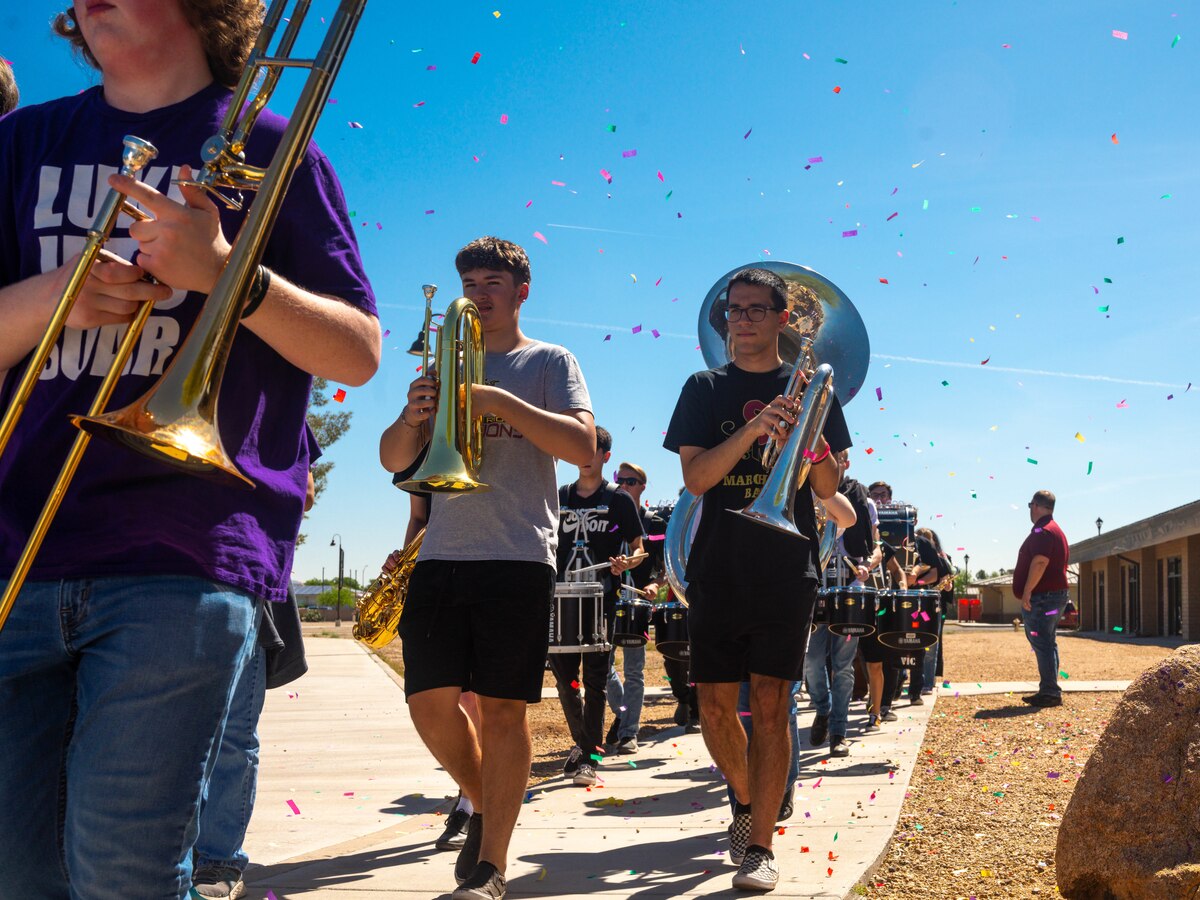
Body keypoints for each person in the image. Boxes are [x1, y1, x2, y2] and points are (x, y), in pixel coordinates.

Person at [0, 4, 380, 897]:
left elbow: (357, 351)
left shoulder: (279, 148)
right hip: (21, 540)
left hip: (189, 547)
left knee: (126, 867)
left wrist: (224, 272)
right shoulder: (21, 142)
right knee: (18, 873)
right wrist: (61, 292)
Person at [379, 236, 594, 900]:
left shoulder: (549, 360)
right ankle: (487, 801)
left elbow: (582, 445)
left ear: (521, 290)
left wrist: (496, 402)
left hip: (518, 553)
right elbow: (392, 460)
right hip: (443, 553)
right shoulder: (443, 364)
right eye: (470, 281)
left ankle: (492, 865)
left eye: (493, 281)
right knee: (428, 707)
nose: (479, 292)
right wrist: (415, 416)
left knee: (504, 712)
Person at [664, 267, 852, 892]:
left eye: (754, 308)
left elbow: (827, 492)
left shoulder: (813, 390)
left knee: (771, 706)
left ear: (781, 319)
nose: (741, 318)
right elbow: (697, 480)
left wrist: (810, 434)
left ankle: (761, 845)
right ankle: (746, 799)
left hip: (785, 568)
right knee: (716, 708)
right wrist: (756, 427)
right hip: (717, 565)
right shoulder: (702, 388)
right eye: (733, 310)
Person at [193, 465, 318, 899]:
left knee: (233, 738)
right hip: (155, 569)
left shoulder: (266, 395)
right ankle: (180, 858)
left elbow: (304, 491)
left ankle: (217, 860)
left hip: (235, 575)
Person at [384, 479, 480, 852]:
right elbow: (419, 516)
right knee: (443, 698)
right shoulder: (424, 437)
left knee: (477, 698)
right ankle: (472, 798)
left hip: (490, 563)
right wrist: (406, 564)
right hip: (435, 573)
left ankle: (472, 806)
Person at [550, 427, 644, 784]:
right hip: (561, 599)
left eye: (594, 450)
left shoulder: (618, 499)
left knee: (595, 680)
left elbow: (639, 547)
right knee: (564, 678)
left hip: (600, 599)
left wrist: (628, 562)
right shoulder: (559, 497)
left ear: (606, 456)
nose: (585, 457)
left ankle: (588, 756)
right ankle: (583, 742)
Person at [805, 450, 880, 757]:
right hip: (814, 587)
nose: (838, 461)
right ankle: (823, 708)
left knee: (843, 665)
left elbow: (876, 549)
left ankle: (839, 731)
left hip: (848, 589)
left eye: (842, 457)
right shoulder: (806, 493)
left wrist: (868, 567)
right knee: (811, 661)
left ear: (845, 463)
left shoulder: (863, 500)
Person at [605, 460, 660, 754]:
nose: (623, 485)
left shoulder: (653, 521)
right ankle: (625, 714)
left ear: (641, 485)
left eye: (629, 481)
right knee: (604, 668)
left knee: (635, 670)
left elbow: (663, 566)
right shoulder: (610, 512)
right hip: (611, 597)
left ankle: (628, 733)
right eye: (619, 480)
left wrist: (656, 584)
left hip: (638, 601)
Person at [1015, 490, 1070, 708]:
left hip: (1043, 597)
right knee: (1047, 641)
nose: (1030, 510)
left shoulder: (1043, 531)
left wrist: (1027, 590)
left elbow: (1040, 562)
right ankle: (1050, 689)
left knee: (1042, 642)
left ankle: (1049, 692)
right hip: (1054, 596)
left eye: (1030, 505)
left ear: (1036, 506)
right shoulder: (1055, 530)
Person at [914, 526, 954, 696]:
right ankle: (920, 680)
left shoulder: (941, 560)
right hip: (917, 605)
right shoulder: (915, 559)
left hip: (934, 605)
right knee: (917, 643)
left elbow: (949, 585)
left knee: (931, 644)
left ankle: (928, 682)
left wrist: (941, 584)